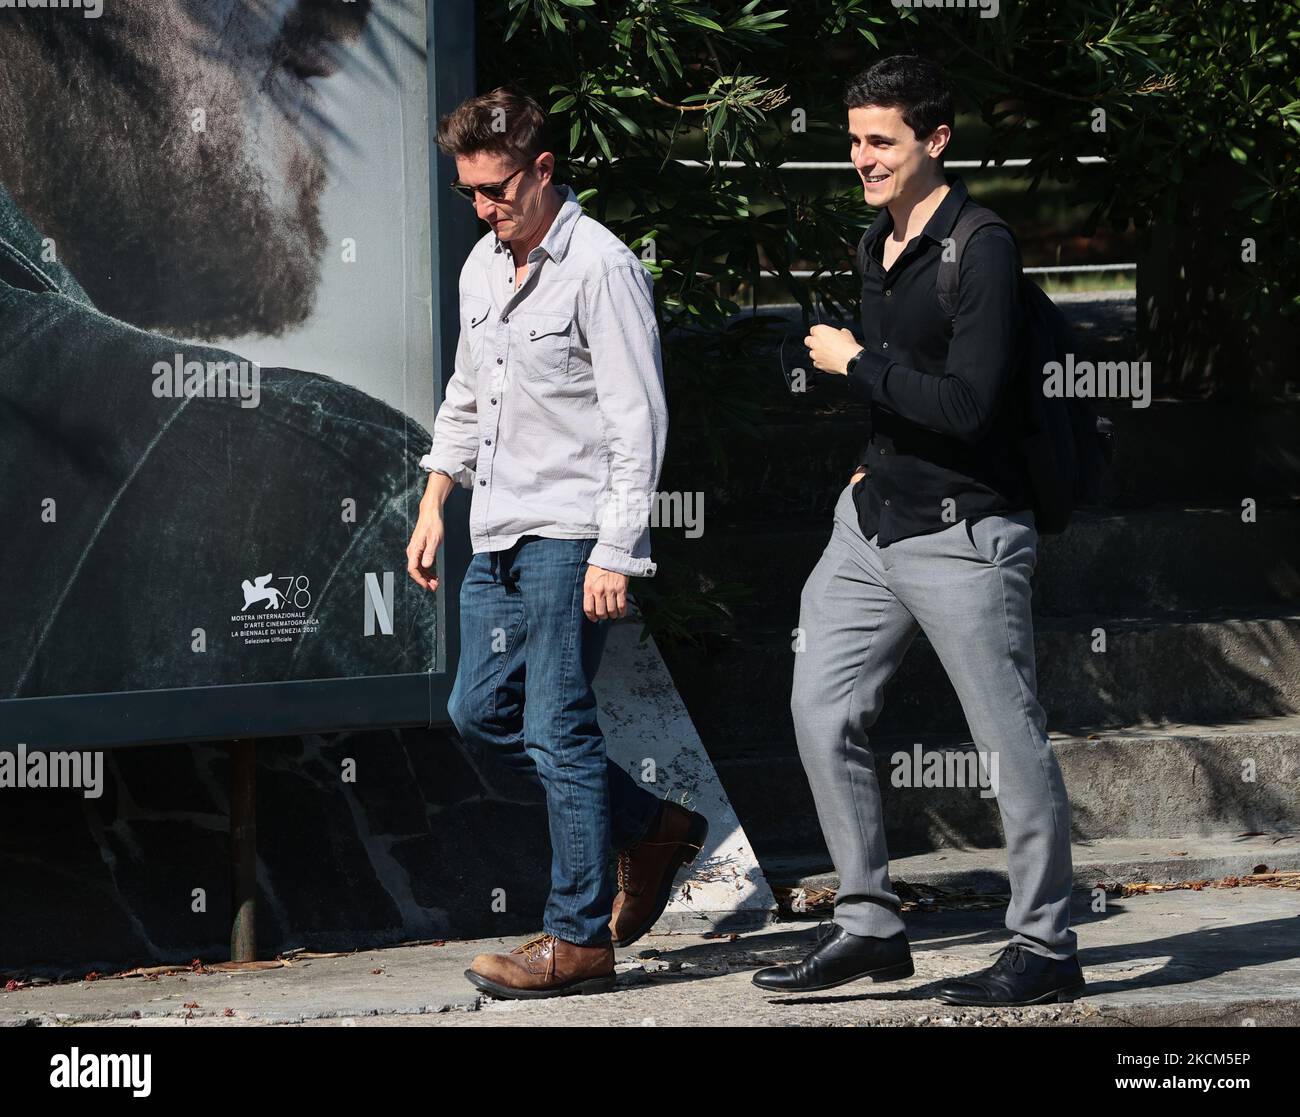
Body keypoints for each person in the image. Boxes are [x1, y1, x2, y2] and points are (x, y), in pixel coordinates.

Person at [751, 55, 1085, 1006]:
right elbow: (905, 387)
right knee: (821, 708)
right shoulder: (877, 244)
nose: (861, 157)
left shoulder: (981, 247)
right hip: (872, 524)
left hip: (967, 533)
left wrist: (855, 367)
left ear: (935, 141)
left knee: (1006, 736)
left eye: (880, 140)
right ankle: (867, 924)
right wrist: (867, 457)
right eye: (853, 139)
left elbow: (973, 404)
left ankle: (1048, 946)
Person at [406, 87, 708, 1000]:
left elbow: (636, 419)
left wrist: (619, 548)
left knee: (558, 723)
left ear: (544, 169)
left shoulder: (602, 268)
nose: (485, 208)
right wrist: (434, 499)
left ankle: (577, 938)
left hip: (572, 529)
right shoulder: (483, 267)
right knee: (478, 713)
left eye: (497, 190)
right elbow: (467, 390)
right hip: (495, 528)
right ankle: (651, 825)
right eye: (469, 193)